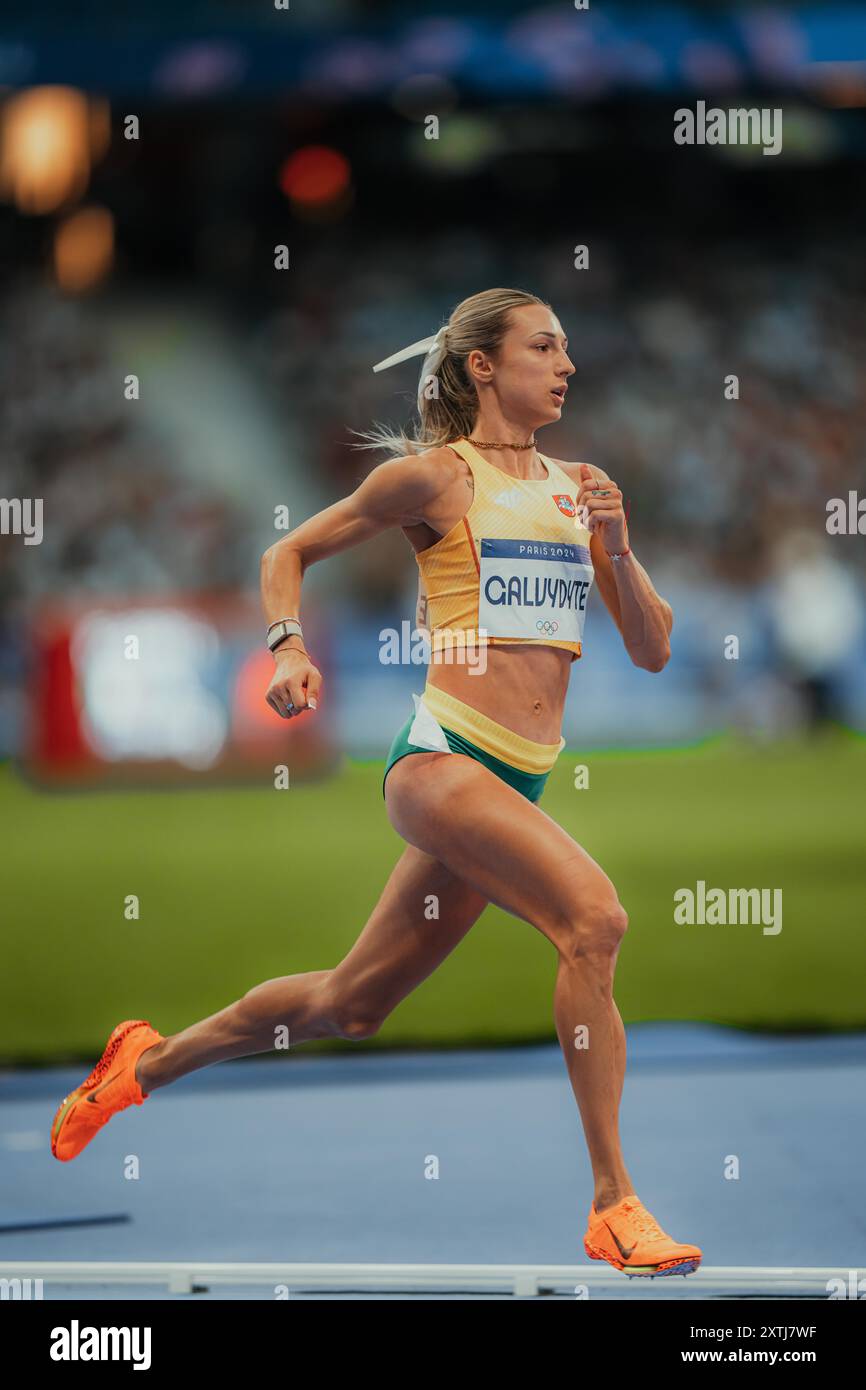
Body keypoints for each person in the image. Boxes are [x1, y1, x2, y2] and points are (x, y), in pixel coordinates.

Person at [51, 287, 701, 1279]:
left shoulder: (584, 487)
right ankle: (614, 1201)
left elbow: (651, 650)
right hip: (441, 762)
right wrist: (283, 649)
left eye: (568, 348)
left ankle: (140, 1062)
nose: (565, 364)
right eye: (542, 346)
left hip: (509, 787)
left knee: (350, 1006)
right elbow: (287, 550)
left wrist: (616, 544)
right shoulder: (434, 479)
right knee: (593, 919)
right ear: (482, 365)